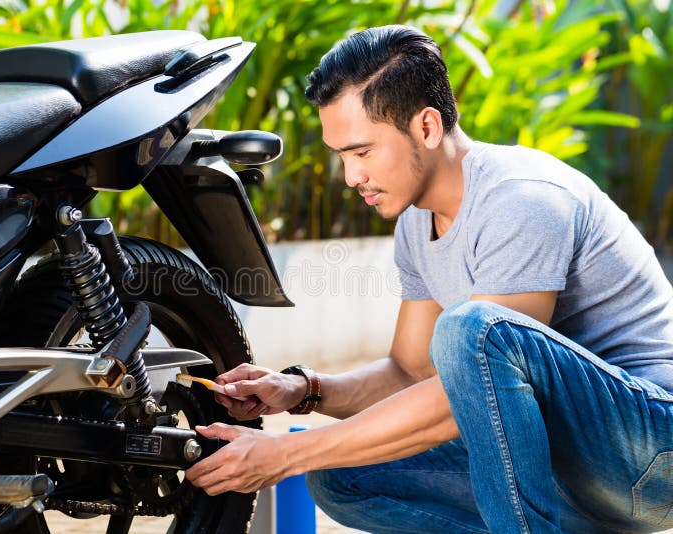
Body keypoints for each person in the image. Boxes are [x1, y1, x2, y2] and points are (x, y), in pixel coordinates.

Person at [185, 25, 673, 533]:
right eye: (343, 157)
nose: (352, 177)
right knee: (342, 477)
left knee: (473, 329)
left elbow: (459, 391)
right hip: (571, 471)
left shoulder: (522, 199)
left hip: (651, 452)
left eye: (363, 152)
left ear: (426, 127)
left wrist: (285, 453)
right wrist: (304, 390)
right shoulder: (417, 223)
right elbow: (410, 373)